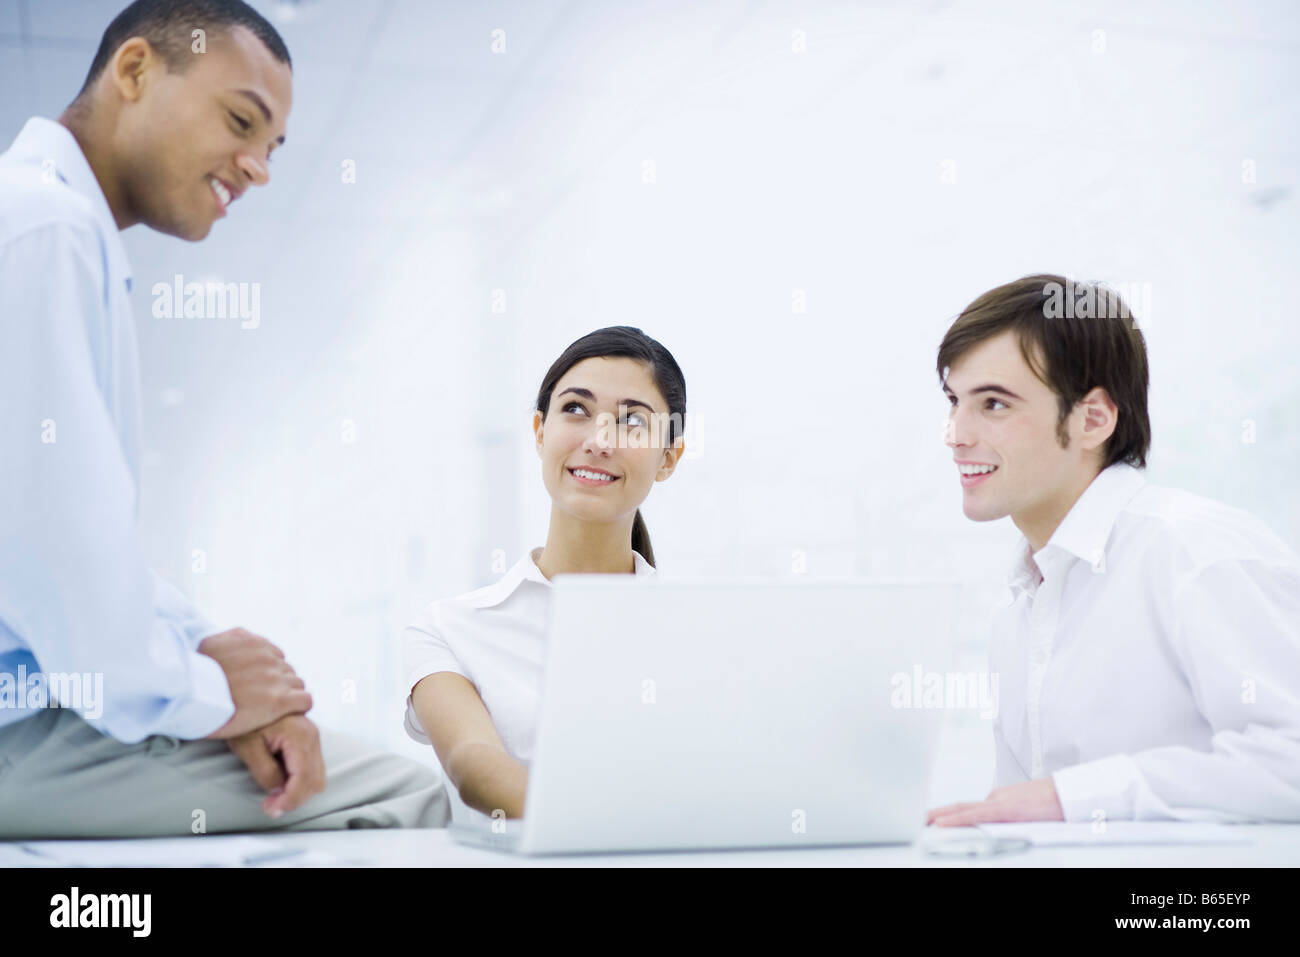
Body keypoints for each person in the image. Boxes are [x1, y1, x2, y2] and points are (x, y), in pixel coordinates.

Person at [0, 0, 449, 837]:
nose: (260, 167)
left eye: (274, 147)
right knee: (405, 793)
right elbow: (63, 578)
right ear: (133, 72)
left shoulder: (52, 228)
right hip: (19, 732)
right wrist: (219, 694)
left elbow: (85, 553)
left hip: (35, 714)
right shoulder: (43, 227)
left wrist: (209, 654)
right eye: (241, 121)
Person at [925, 274, 1300, 826]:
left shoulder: (1198, 553)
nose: (955, 434)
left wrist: (1071, 797)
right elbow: (1026, 825)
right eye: (955, 401)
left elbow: (1290, 761)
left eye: (994, 404)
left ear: (1093, 420)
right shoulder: (1020, 612)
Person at [402, 326, 687, 824]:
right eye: (576, 409)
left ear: (668, 458)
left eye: (632, 421)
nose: (599, 441)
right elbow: (476, 770)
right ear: (539, 432)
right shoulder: (447, 630)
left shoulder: (700, 634)